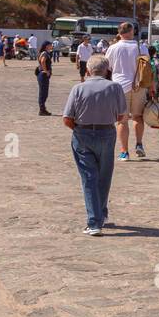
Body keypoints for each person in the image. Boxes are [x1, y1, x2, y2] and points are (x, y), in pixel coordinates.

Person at [62, 55, 129, 236]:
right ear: (107, 70)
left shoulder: (78, 89)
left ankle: (94, 221)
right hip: (106, 133)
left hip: (82, 134)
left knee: (89, 178)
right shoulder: (115, 88)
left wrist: (79, 129)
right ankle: (100, 214)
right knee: (104, 176)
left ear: (88, 70)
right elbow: (122, 116)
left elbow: (67, 118)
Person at [105, 21, 150, 162]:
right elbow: (147, 67)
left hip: (120, 86)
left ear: (119, 32)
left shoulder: (113, 48)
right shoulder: (141, 47)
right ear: (132, 32)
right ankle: (139, 144)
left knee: (122, 121)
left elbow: (108, 67)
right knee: (138, 117)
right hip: (139, 86)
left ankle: (124, 151)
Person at [36, 38, 53, 116]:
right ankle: (42, 110)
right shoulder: (45, 53)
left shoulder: (44, 52)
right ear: (46, 46)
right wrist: (46, 71)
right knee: (43, 93)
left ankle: (43, 109)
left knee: (44, 92)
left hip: (42, 74)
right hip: (43, 75)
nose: (51, 46)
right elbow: (43, 61)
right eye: (50, 45)